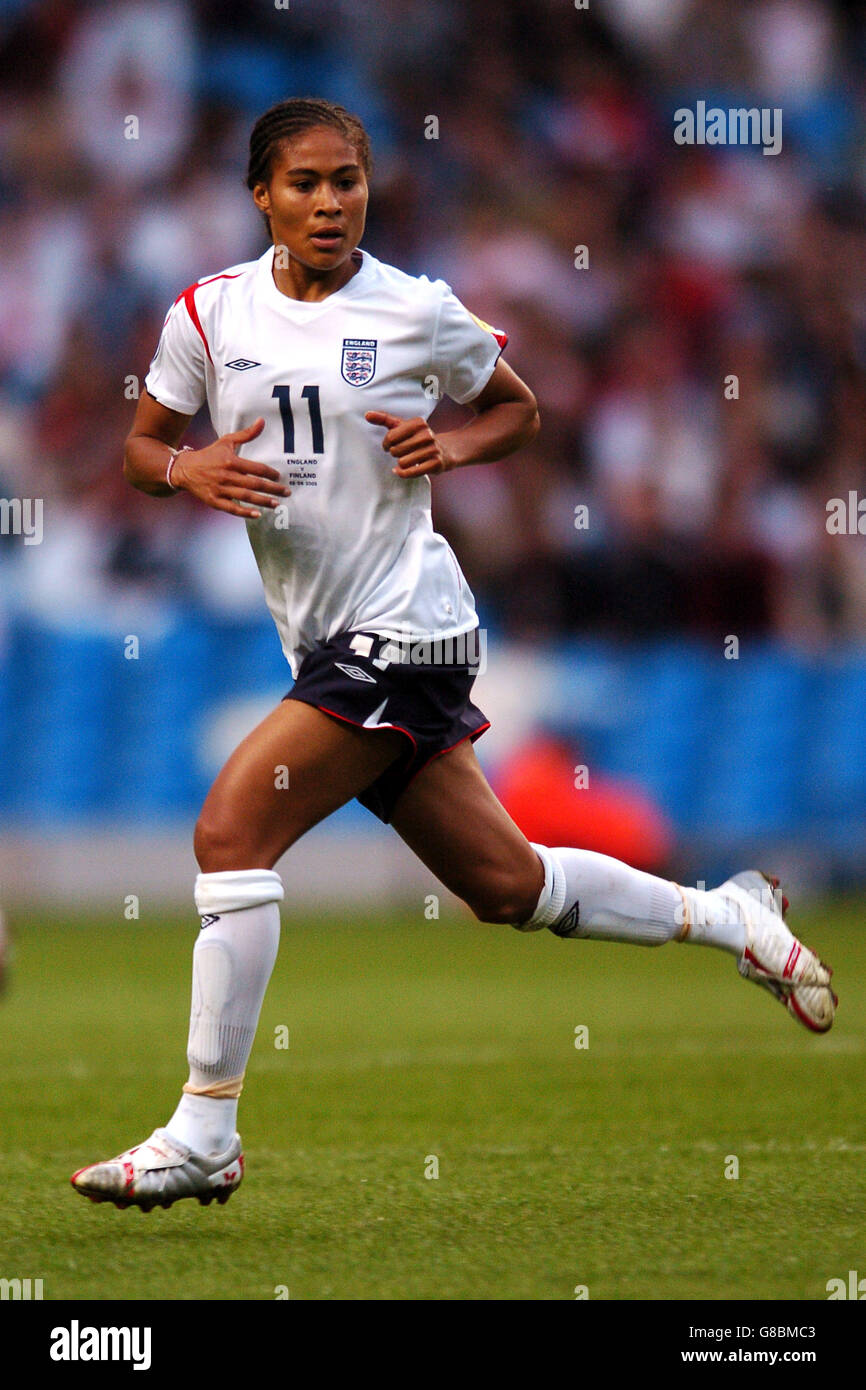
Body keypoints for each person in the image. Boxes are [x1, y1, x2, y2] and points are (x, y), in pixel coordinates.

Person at [71, 98, 836, 1212]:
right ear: (261, 197)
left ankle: (205, 1130)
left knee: (230, 828)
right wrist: (184, 470)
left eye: (348, 180)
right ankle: (729, 912)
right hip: (325, 637)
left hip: (410, 625)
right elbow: (141, 446)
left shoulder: (417, 311)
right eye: (304, 184)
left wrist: (455, 442)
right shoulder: (207, 313)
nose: (330, 202)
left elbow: (517, 411)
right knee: (506, 885)